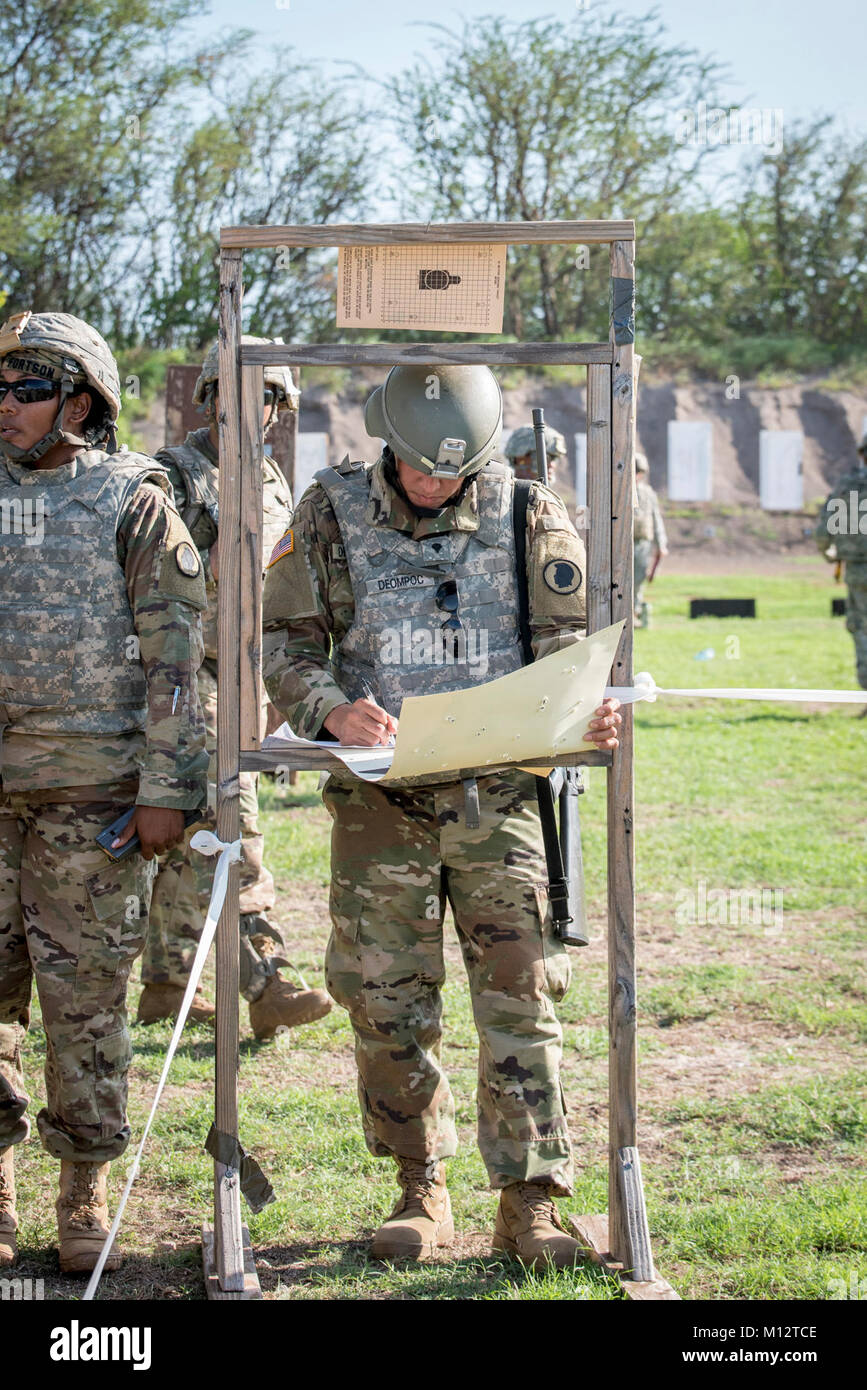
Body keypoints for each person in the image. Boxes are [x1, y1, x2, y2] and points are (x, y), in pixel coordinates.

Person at [262, 364, 621, 1268]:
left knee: (520, 991)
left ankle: (530, 1203)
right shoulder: (328, 509)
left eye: (452, 471)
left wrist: (585, 707)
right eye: (420, 467)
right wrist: (330, 707)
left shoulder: (528, 511)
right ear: (387, 440)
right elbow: (284, 641)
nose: (434, 482)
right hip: (380, 804)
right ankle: (419, 1184)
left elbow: (564, 649)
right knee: (385, 1001)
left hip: (496, 797)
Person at [0, 310, 208, 1273]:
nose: (7, 406)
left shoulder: (133, 499)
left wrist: (169, 785)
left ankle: (82, 1183)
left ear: (79, 402)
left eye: (27, 390)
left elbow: (176, 658)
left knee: (83, 999)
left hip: (92, 798)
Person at [137, 340, 331, 1038]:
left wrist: (274, 681)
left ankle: (165, 984)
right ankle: (268, 977)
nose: (255, 410)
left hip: (246, 671)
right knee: (231, 818)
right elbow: (159, 586)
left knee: (195, 832)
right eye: (239, 395)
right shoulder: (174, 476)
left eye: (270, 399)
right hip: (185, 674)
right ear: (212, 398)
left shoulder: (274, 478)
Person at [815, 432, 867, 709]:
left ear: (862, 455)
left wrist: (829, 554)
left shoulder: (847, 487)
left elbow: (824, 531)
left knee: (862, 629)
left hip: (859, 571)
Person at [633, 452, 668, 629]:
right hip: (624, 545)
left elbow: (656, 519)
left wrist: (661, 545)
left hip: (642, 544)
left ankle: (635, 612)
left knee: (638, 579)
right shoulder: (620, 491)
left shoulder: (648, 493)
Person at [503, 423, 567, 490]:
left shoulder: (547, 497)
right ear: (520, 459)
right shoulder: (504, 495)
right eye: (545, 458)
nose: (552, 465)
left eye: (554, 459)